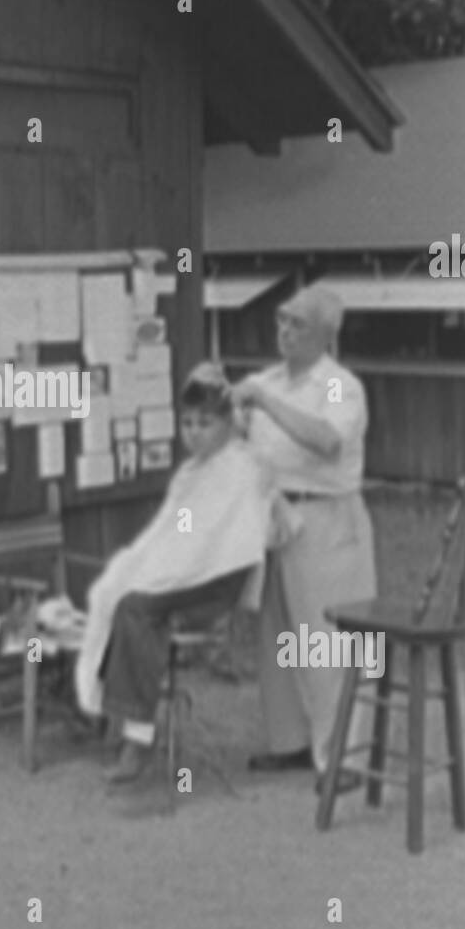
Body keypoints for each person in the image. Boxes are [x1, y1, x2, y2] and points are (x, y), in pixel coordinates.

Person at [74, 363, 273, 785]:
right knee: (111, 595)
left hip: (215, 583)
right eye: (187, 423)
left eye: (205, 423)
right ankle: (115, 713)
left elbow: (217, 539)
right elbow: (178, 531)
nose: (195, 432)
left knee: (136, 607)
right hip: (189, 573)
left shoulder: (239, 469)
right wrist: (148, 564)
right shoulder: (190, 475)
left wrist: (168, 570)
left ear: (227, 423)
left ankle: (138, 738)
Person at [233, 283, 377, 792]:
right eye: (282, 321)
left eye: (297, 324)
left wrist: (266, 404)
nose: (285, 332)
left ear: (324, 335)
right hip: (275, 518)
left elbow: (326, 441)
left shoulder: (339, 386)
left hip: (326, 519)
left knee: (326, 643)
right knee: (280, 637)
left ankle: (345, 756)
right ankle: (290, 741)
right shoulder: (267, 380)